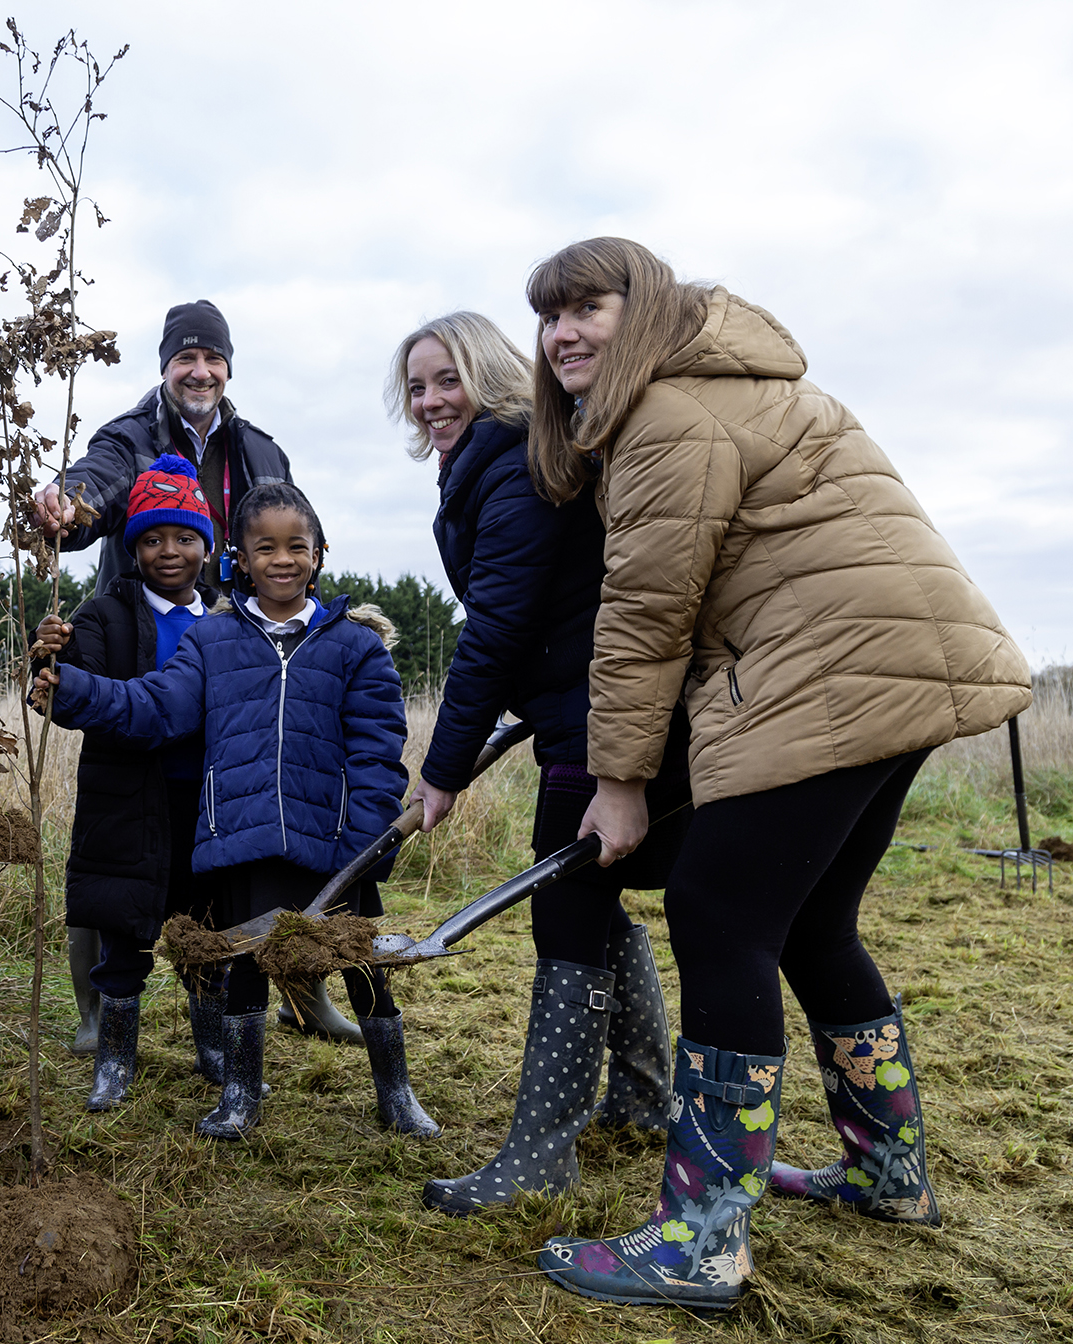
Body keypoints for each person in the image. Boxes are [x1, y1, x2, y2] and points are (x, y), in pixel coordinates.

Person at [517, 238, 1031, 1311]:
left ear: (643, 309)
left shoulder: (665, 416)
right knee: (812, 921)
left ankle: (698, 1243)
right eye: (549, 315)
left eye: (588, 308)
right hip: (907, 664)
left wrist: (620, 781)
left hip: (835, 670)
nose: (564, 332)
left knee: (716, 913)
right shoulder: (738, 384)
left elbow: (649, 615)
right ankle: (888, 1175)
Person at [380, 312, 692, 1215]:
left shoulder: (515, 464)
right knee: (589, 902)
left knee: (566, 914)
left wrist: (441, 770)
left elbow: (498, 630)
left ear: (489, 375)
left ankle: (541, 1157)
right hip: (576, 709)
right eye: (418, 386)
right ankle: (640, 1098)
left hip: (600, 720)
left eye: (448, 380)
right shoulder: (488, 461)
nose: (431, 400)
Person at [33, 483, 437, 1140]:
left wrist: (366, 841)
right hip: (245, 839)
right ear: (240, 560)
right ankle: (241, 1096)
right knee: (248, 963)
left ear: (320, 552)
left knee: (363, 965)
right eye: (265, 548)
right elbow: (156, 707)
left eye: (297, 546)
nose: (283, 560)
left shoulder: (356, 647)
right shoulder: (214, 640)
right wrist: (71, 688)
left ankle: (396, 1093)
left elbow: (378, 750)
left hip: (334, 840)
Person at [32, 300, 364, 1051]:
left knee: (263, 828)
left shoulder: (258, 448)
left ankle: (301, 993)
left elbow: (287, 521)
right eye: (186, 358)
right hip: (143, 642)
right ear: (165, 366)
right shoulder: (131, 435)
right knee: (119, 829)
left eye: (212, 359)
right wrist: (71, 507)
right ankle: (98, 1013)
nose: (200, 371)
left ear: (228, 367)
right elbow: (97, 483)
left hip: (243, 648)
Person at [30, 454, 224, 1112]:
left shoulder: (226, 622)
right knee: (122, 932)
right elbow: (58, 690)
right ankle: (115, 1058)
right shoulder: (104, 614)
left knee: (205, 931)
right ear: (131, 547)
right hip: (127, 802)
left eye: (184, 537)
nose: (168, 552)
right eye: (151, 538)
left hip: (204, 807)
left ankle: (214, 1045)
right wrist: (49, 651)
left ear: (206, 546)